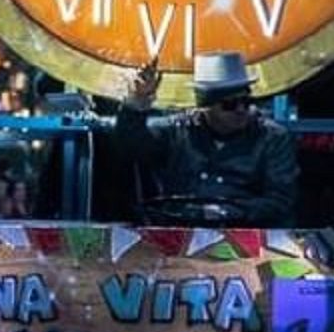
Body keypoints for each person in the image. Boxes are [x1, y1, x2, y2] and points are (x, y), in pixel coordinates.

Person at [108, 52, 297, 227]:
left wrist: (228, 213)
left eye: (246, 103)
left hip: (246, 237)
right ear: (205, 107)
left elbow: (280, 200)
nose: (241, 110)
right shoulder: (178, 130)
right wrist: (136, 102)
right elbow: (129, 146)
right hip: (180, 235)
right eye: (229, 104)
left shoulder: (272, 137)